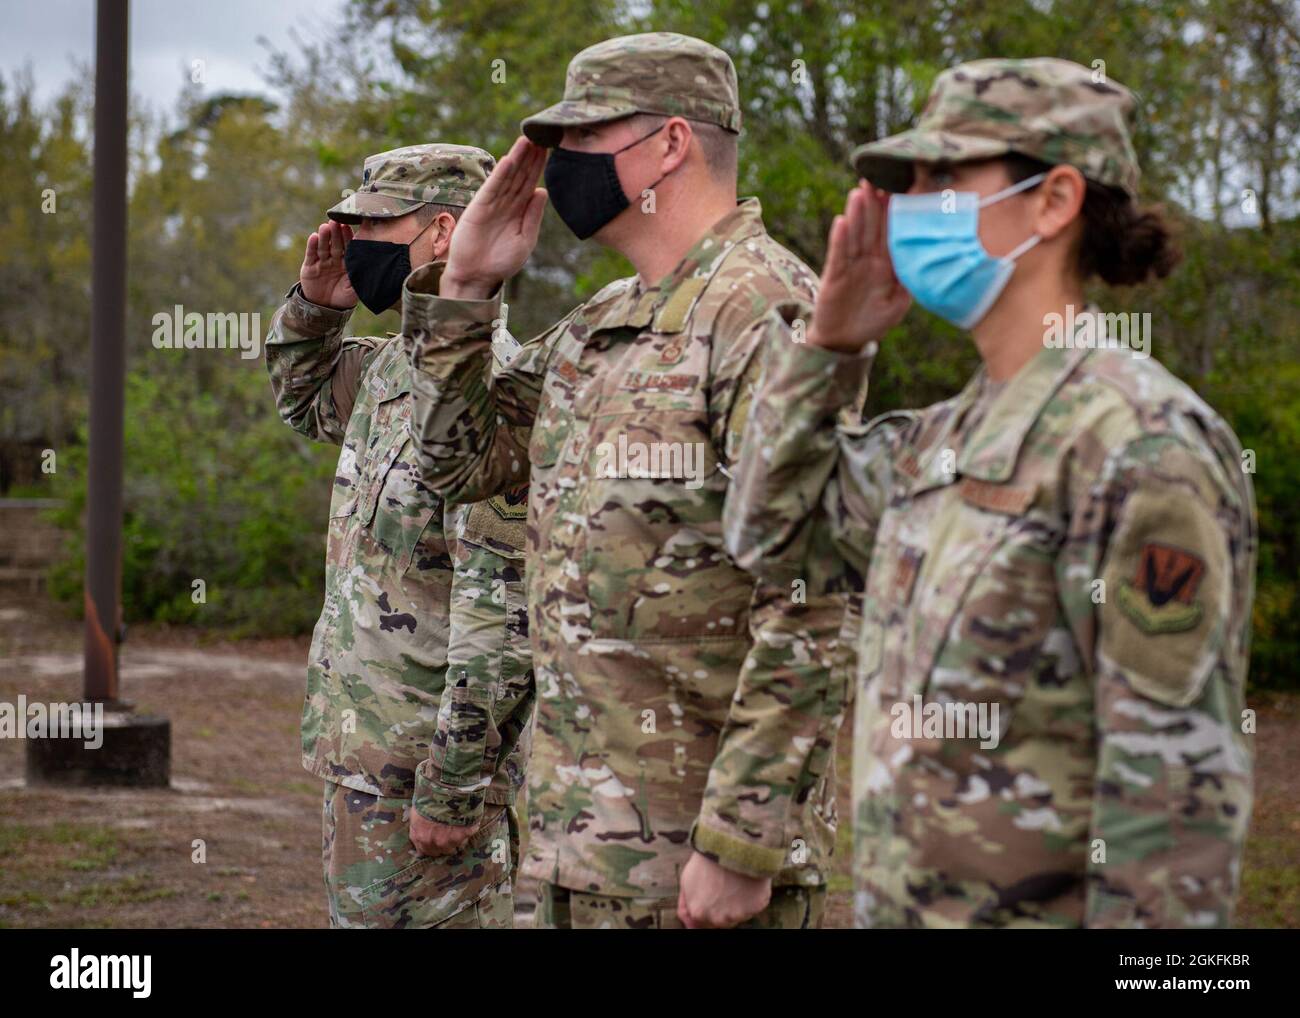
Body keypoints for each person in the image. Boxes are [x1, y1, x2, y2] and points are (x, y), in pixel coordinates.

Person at [724, 57, 1257, 928]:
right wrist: (828, 348)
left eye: (944, 176)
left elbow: (1170, 813)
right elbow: (765, 535)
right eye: (910, 180)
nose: (910, 205)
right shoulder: (941, 439)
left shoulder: (1139, 446)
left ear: (1054, 201)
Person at [401, 33, 857, 928]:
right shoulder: (601, 324)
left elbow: (813, 597)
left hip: (697, 867)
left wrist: (741, 842)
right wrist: (465, 290)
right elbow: (458, 463)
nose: (557, 166)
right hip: (585, 848)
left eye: (583, 139)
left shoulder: (764, 311)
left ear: (672, 144)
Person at [265, 144, 533, 928]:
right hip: (361, 762)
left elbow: (501, 627)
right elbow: (302, 396)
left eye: (378, 224)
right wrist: (317, 305)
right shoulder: (387, 373)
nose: (357, 241)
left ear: (445, 232)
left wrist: (455, 788)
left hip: (428, 781)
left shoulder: (492, 395)